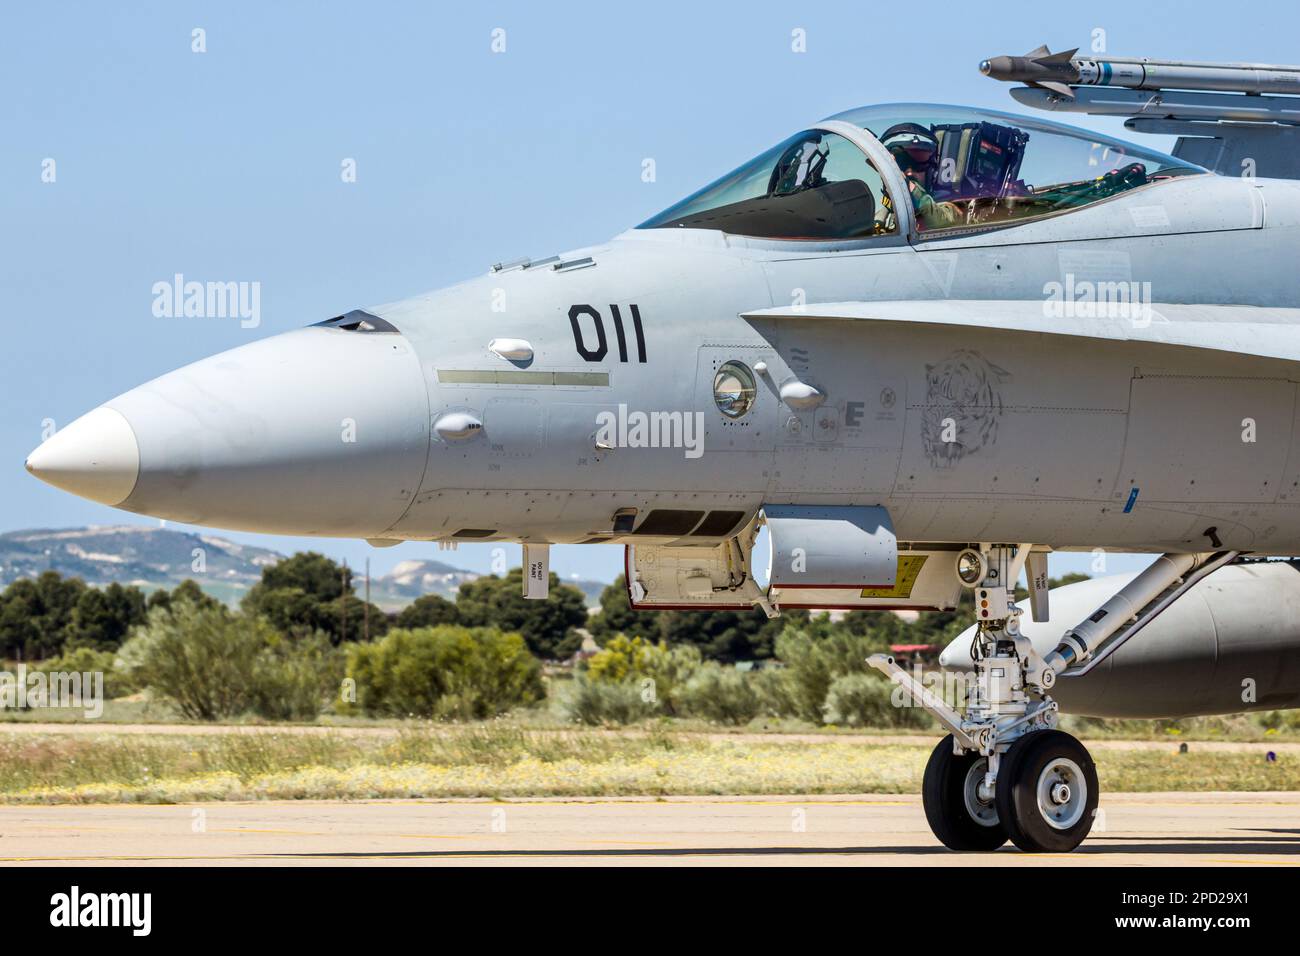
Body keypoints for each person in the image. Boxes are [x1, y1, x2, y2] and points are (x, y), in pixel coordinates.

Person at [879, 123, 961, 231]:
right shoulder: (881, 218)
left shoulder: (950, 208)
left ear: (931, 169)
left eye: (918, 161)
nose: (909, 173)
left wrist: (908, 186)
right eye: (900, 162)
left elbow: (940, 221)